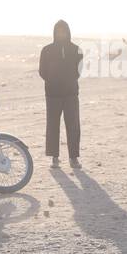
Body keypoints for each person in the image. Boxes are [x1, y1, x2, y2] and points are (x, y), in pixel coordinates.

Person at [39, 19, 82, 167]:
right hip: (52, 94)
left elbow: (79, 71)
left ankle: (73, 158)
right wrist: (53, 81)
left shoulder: (76, 49)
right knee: (52, 126)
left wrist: (68, 81)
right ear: (54, 32)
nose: (61, 34)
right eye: (58, 31)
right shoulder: (47, 50)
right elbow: (42, 71)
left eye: (63, 31)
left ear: (68, 32)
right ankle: (54, 158)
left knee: (73, 126)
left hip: (71, 94)